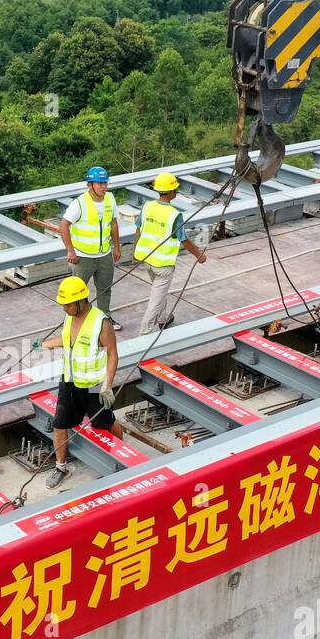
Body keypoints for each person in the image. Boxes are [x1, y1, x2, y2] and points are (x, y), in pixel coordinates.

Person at [38, 276, 123, 489]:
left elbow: (113, 355)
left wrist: (107, 385)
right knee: (60, 424)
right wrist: (47, 344)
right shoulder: (69, 317)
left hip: (94, 386)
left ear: (81, 301)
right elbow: (69, 340)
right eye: (63, 304)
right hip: (70, 381)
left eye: (68, 304)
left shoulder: (101, 323)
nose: (65, 308)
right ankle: (61, 467)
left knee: (105, 423)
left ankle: (122, 458)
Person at [135, 172, 206, 334]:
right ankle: (144, 333)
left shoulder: (147, 206)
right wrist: (199, 256)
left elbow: (138, 230)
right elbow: (185, 240)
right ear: (173, 192)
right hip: (163, 265)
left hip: (146, 259)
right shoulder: (174, 215)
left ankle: (163, 318)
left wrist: (135, 252)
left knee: (160, 291)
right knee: (156, 297)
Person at [59, 165, 124, 331]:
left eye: (105, 183)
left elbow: (113, 224)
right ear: (90, 185)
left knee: (105, 290)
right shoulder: (79, 203)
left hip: (104, 255)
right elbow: (63, 226)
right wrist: (70, 250)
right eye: (99, 183)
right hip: (82, 257)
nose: (103, 187)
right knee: (76, 293)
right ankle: (73, 324)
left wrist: (116, 247)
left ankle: (105, 321)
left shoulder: (110, 199)